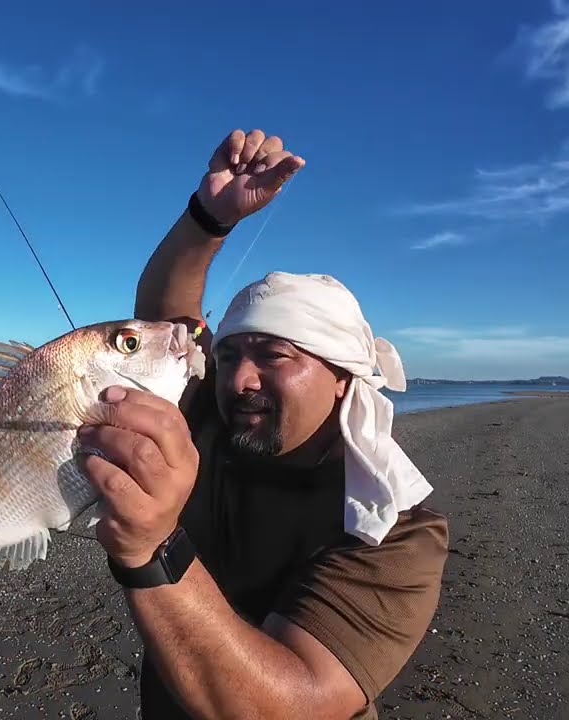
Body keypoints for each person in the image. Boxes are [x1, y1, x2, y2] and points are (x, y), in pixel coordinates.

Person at [76, 128, 449, 720]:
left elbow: (292, 706)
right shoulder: (218, 424)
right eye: (228, 356)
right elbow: (161, 320)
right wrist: (208, 216)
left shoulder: (394, 529)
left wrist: (152, 548)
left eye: (274, 355)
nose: (240, 379)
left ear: (343, 377)